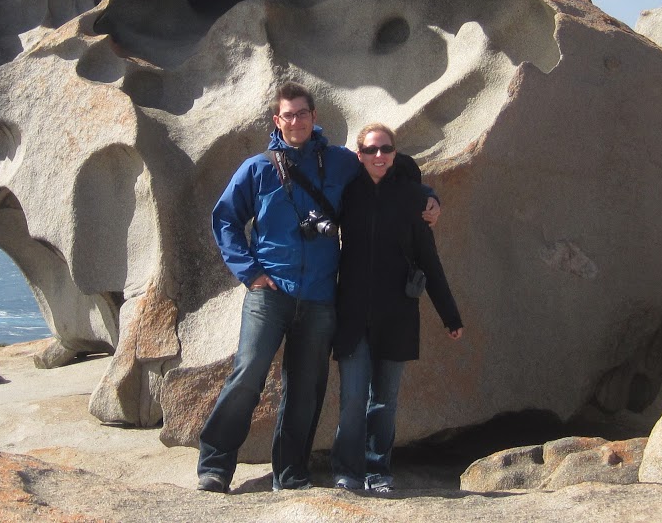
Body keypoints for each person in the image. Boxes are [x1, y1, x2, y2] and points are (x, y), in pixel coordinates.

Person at [196, 83, 439, 493]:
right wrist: (251, 272)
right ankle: (215, 465)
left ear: (314, 116)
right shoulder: (257, 168)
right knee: (247, 375)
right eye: (288, 115)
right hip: (270, 293)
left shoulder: (340, 162)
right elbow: (225, 220)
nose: (296, 121)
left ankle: (290, 472)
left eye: (303, 113)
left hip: (321, 295)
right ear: (278, 121)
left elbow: (391, 167)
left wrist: (429, 196)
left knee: (305, 391)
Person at [330, 123, 463, 494]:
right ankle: (347, 470)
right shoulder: (347, 193)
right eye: (371, 150)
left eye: (386, 149)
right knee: (354, 399)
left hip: (397, 314)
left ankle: (378, 472)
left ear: (394, 153)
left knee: (384, 402)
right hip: (353, 312)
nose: (379, 156)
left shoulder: (411, 198)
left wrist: (450, 315)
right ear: (359, 155)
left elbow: (429, 260)